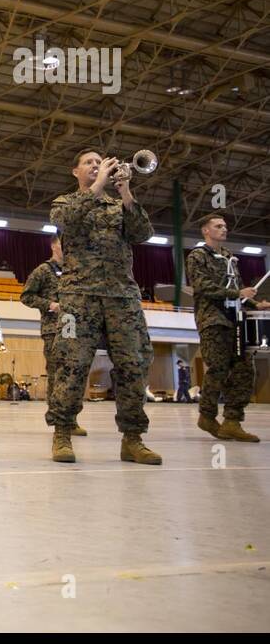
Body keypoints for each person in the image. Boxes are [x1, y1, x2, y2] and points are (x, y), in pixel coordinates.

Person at [47, 150, 160, 465]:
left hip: (122, 297)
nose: (96, 166)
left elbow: (143, 233)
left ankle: (133, 439)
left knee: (134, 364)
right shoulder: (65, 202)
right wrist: (97, 186)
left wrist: (125, 191)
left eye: (100, 163)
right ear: (75, 171)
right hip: (78, 296)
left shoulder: (118, 205)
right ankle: (62, 433)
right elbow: (65, 221)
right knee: (71, 365)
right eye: (89, 163)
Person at [185, 213, 263, 443]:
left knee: (245, 369)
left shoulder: (229, 257)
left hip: (235, 320)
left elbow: (239, 289)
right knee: (218, 368)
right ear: (206, 231)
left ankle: (232, 422)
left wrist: (255, 303)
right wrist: (237, 293)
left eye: (225, 226)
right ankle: (207, 416)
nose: (224, 229)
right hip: (213, 319)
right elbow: (203, 287)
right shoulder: (197, 256)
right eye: (218, 226)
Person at [21, 236, 86, 435]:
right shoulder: (43, 270)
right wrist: (49, 305)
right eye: (61, 244)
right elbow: (26, 296)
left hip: (72, 328)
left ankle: (71, 420)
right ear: (53, 246)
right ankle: (59, 422)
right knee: (56, 375)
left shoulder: (74, 271)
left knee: (74, 375)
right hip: (53, 329)